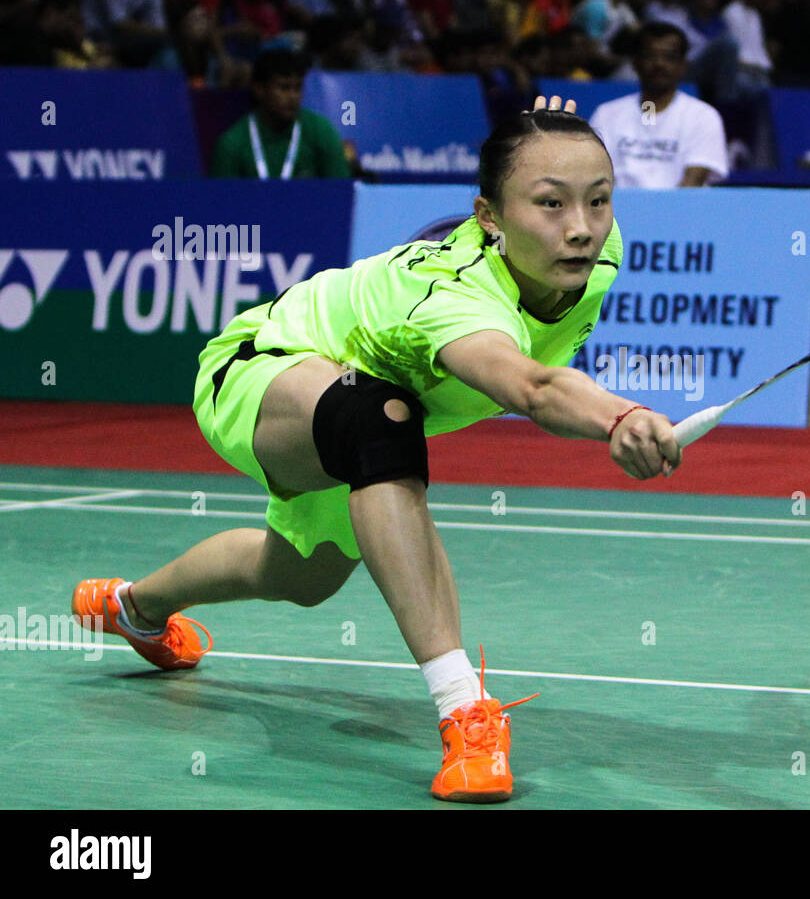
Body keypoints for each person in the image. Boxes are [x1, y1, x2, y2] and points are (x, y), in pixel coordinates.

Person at [72, 95, 682, 804]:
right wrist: (619, 415)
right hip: (259, 367)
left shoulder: (598, 252)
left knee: (298, 575)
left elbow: (562, 217)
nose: (580, 228)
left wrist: (547, 136)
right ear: (489, 216)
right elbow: (535, 386)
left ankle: (133, 607)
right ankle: (464, 711)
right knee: (382, 421)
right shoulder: (451, 294)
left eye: (598, 201)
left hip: (354, 407)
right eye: (550, 203)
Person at [588, 21, 729, 188]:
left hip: (681, 212)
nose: (659, 64)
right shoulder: (606, 114)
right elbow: (594, 179)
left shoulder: (704, 116)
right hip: (618, 212)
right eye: (650, 55)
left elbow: (693, 184)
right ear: (635, 63)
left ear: (683, 65)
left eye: (669, 57)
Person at [209, 49, 350, 179]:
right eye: (284, 87)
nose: (293, 96)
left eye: (298, 87)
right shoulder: (232, 144)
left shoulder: (321, 131)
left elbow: (342, 190)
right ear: (259, 89)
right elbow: (222, 201)